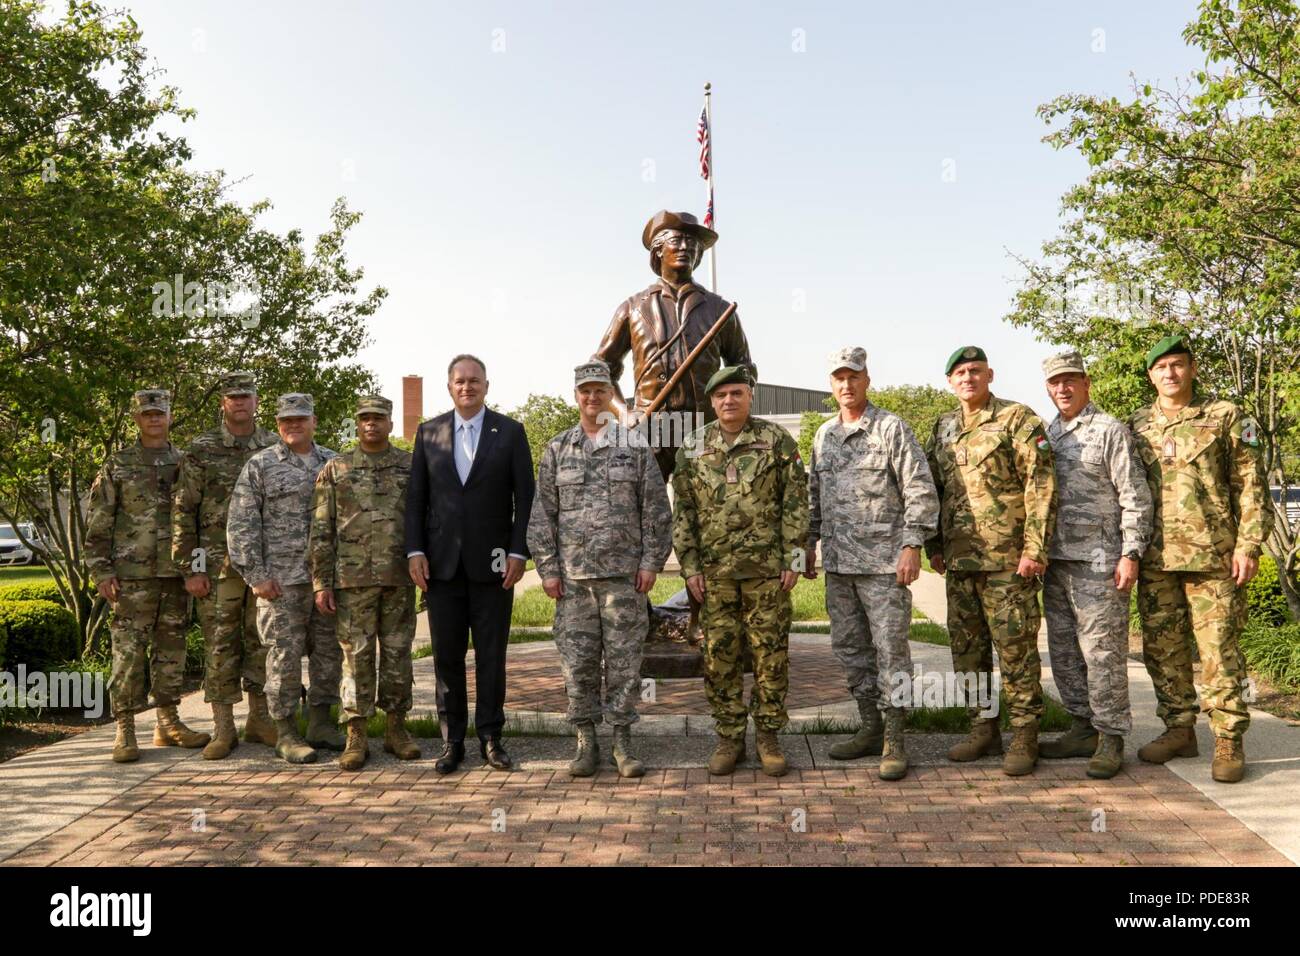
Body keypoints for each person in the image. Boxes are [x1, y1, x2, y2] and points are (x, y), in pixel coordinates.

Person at [1128, 335, 1272, 783]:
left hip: (1214, 555)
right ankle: (1179, 729)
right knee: (1162, 650)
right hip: (1154, 557)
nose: (1169, 374)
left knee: (1218, 651)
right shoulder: (1135, 424)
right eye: (1160, 368)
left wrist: (1249, 545)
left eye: (1177, 365)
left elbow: (1251, 484)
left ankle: (1228, 739)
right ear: (1151, 375)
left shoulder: (1225, 416)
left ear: (1191, 368)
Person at [527, 361, 672, 778]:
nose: (592, 397)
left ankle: (623, 743)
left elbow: (657, 512)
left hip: (625, 580)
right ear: (576, 395)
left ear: (611, 394)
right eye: (585, 390)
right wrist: (549, 570)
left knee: (626, 664)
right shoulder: (557, 449)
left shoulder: (635, 447)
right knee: (578, 664)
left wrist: (651, 564)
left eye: (600, 390)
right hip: (572, 582)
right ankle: (585, 742)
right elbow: (542, 517)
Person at [805, 347, 939, 780]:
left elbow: (919, 487)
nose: (847, 385)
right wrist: (808, 544)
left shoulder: (890, 429)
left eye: (854, 377)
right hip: (840, 565)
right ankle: (869, 726)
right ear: (831, 385)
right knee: (850, 649)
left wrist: (913, 544)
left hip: (884, 564)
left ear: (867, 380)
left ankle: (895, 740)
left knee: (890, 652)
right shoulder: (824, 434)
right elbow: (814, 497)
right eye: (839, 378)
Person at [925, 346, 1057, 776]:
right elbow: (934, 490)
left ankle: (1024, 732)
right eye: (960, 372)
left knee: (1015, 650)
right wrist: (935, 546)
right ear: (950, 382)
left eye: (975, 370)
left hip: (1008, 561)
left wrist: (1035, 548)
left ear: (990, 374)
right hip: (961, 562)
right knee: (968, 650)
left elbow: (1041, 483)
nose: (968, 378)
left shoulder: (1017, 419)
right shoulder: (943, 426)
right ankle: (982, 726)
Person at [672, 365, 808, 777]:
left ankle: (767, 736)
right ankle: (730, 736)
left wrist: (794, 558)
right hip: (714, 574)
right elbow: (684, 513)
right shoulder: (693, 446)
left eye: (736, 393)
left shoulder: (776, 441)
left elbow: (796, 503)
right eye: (721, 395)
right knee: (720, 656)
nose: (729, 401)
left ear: (750, 396)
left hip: (768, 571)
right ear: (711, 402)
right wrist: (689, 566)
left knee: (770, 655)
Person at [404, 355, 535, 773]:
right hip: (440, 567)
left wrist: (518, 553)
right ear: (449, 387)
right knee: (446, 655)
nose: (467, 387)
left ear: (486, 385)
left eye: (474, 381)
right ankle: (452, 742)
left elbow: (525, 499)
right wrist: (414, 550)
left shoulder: (510, 433)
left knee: (491, 655)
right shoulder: (429, 433)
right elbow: (416, 501)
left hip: (495, 566)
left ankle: (492, 738)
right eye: (459, 381)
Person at [1039, 350, 1153, 779]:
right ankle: (1081, 727)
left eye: (1070, 380)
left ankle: (1111, 736)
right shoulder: (1048, 432)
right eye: (1055, 383)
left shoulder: (1109, 430)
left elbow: (1134, 495)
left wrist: (1131, 553)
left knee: (1102, 654)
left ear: (1086, 383)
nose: (1063, 389)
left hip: (1100, 563)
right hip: (1056, 563)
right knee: (1065, 653)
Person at [86, 389, 209, 762]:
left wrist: (195, 568)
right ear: (137, 419)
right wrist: (101, 571)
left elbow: (199, 520)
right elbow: (98, 522)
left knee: (172, 650)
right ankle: (124, 728)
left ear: (170, 416)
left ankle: (168, 722)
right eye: (147, 414)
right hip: (131, 576)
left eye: (160, 413)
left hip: (175, 576)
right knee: (129, 652)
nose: (155, 419)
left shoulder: (185, 462)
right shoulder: (118, 465)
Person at [593, 210, 755, 479]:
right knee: (647, 515)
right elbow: (599, 368)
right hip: (650, 430)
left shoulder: (720, 309)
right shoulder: (633, 308)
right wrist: (623, 413)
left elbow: (743, 367)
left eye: (692, 244)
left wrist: (731, 414)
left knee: (709, 514)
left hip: (704, 429)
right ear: (658, 250)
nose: (685, 248)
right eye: (677, 240)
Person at [227, 393, 342, 764]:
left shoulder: (335, 463)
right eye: (286, 420)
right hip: (281, 583)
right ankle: (286, 732)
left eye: (300, 419)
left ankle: (322, 723)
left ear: (314, 421)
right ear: (277, 424)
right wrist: (256, 576)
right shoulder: (260, 465)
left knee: (328, 655)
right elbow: (241, 524)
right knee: (283, 658)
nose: (293, 425)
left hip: (326, 580)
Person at [171, 370, 278, 759]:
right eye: (233, 397)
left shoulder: (272, 445)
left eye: (246, 396)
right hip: (216, 567)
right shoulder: (201, 449)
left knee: (262, 641)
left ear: (255, 401)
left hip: (263, 566)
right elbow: (184, 509)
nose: (240, 402)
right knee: (220, 645)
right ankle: (222, 728)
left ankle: (260, 720)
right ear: (223, 403)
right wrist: (191, 567)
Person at [310, 395, 419, 771]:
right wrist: (321, 582)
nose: (371, 424)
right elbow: (322, 530)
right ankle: (356, 732)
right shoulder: (336, 469)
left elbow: (425, 521)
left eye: (378, 418)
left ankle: (396, 727)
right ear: (357, 425)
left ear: (390, 423)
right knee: (356, 658)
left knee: (397, 654)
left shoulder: (410, 466)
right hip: (351, 580)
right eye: (364, 419)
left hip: (398, 578)